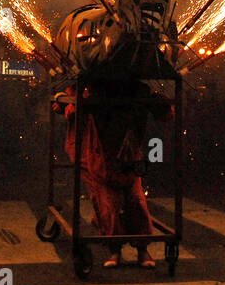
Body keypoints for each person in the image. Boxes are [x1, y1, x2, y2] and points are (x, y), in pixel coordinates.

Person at [54, 79, 172, 269]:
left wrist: (159, 101)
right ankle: (114, 250)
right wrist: (65, 99)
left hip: (128, 158)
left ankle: (142, 250)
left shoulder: (139, 91)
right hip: (99, 158)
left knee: (136, 202)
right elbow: (66, 108)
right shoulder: (92, 90)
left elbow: (167, 114)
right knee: (107, 204)